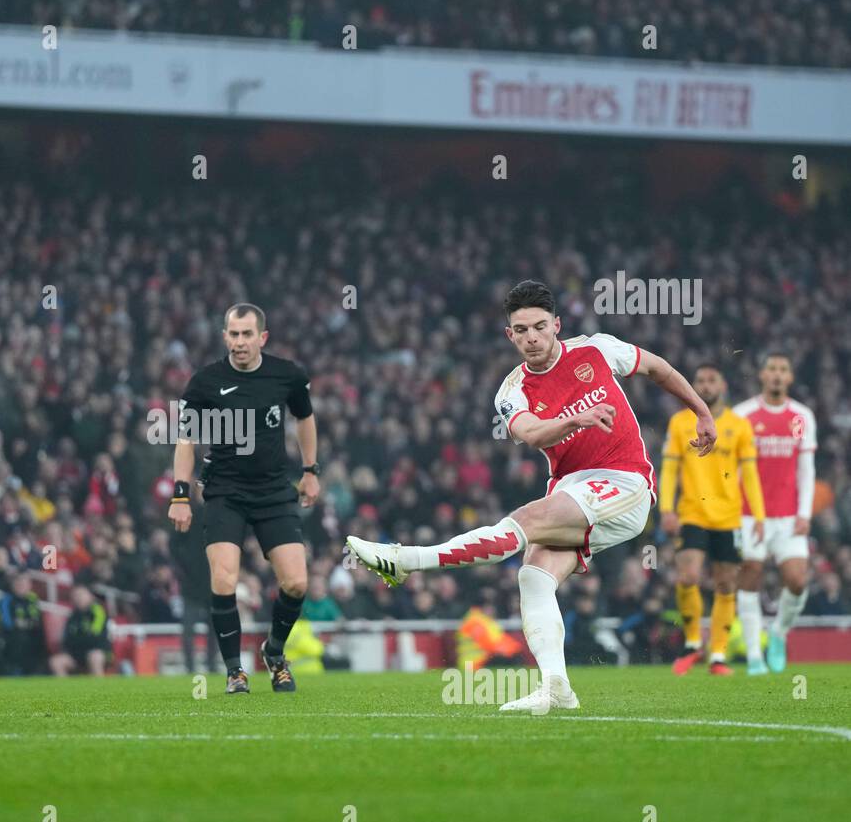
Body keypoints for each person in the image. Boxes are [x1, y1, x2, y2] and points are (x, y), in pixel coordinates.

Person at [348, 279, 717, 713]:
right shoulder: (511, 391)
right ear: (510, 335)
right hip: (574, 489)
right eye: (521, 330)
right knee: (534, 576)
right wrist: (576, 419)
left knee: (524, 520)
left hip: (625, 483)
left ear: (557, 325)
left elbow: (658, 369)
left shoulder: (596, 350)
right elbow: (529, 432)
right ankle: (556, 687)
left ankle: (409, 561)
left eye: (540, 327)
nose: (532, 338)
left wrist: (702, 410)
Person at [168, 303, 319, 695]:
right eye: (233, 334)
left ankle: (275, 653)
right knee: (224, 578)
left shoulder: (287, 375)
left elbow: (305, 419)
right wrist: (180, 494)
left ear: (262, 338)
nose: (239, 342)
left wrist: (310, 471)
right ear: (224, 337)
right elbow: (185, 440)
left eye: (247, 334)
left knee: (297, 583)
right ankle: (235, 670)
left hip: (273, 492)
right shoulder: (204, 383)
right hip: (225, 492)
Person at [661, 364, 766, 676]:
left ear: (723, 384)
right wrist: (667, 508)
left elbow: (750, 474)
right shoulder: (680, 423)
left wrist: (758, 515)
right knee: (688, 576)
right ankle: (693, 644)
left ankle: (717, 655)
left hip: (729, 517)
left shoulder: (740, 425)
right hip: (692, 513)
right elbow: (669, 469)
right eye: (700, 381)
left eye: (711, 379)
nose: (705, 385)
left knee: (725, 584)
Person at [733, 353, 817, 673]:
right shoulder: (743, 415)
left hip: (787, 516)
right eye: (772, 369)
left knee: (796, 580)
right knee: (750, 574)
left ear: (790, 377)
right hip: (749, 515)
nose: (777, 375)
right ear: (762, 375)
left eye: (784, 370)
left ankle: (779, 633)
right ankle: (755, 654)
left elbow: (806, 470)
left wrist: (804, 513)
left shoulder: (802, 417)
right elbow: (735, 469)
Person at [168, 495, 217, 673]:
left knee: (215, 627)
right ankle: (190, 667)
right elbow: (173, 544)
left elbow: (173, 545)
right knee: (189, 628)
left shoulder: (219, 514)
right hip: (192, 583)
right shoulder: (189, 514)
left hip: (212, 580)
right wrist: (184, 567)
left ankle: (211, 665)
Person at [49, 585, 112, 676]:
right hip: (77, 654)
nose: (78, 598)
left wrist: (79, 639)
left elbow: (96, 638)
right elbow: (67, 640)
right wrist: (81, 639)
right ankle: (66, 690)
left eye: (81, 594)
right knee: (56, 662)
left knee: (94, 657)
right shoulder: (73, 616)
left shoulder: (98, 612)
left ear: (90, 596)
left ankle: (99, 689)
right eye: (75, 595)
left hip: (99, 652)